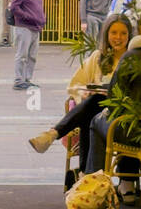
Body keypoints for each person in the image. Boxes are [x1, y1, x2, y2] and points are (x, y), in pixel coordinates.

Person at [28, 14, 134, 175]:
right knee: (92, 106)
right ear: (106, 34)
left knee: (94, 106)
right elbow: (75, 85)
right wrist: (84, 93)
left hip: (120, 115)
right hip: (96, 112)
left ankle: (54, 135)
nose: (118, 37)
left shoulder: (133, 61)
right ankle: (86, 174)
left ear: (129, 36)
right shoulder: (98, 58)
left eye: (123, 33)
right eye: (114, 33)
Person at [81, 16, 141, 176]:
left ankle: (94, 183)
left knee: (100, 121)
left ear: (136, 33)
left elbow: (115, 100)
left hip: (133, 133)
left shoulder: (130, 58)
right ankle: (129, 185)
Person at [8, 0, 46, 90]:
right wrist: (27, 17)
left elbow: (38, 9)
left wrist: (42, 20)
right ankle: (19, 80)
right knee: (22, 54)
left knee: (32, 56)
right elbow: (14, 7)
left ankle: (27, 79)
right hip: (24, 28)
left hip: (35, 28)